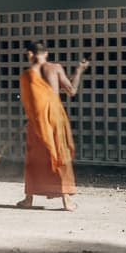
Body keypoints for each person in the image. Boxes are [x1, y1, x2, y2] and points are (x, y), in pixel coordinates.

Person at [18, 41, 88, 210]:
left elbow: (29, 101)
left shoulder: (27, 74)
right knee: (59, 155)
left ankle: (29, 199)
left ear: (30, 55)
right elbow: (71, 91)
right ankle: (66, 201)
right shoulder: (55, 68)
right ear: (46, 53)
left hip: (36, 121)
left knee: (34, 158)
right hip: (54, 119)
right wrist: (78, 71)